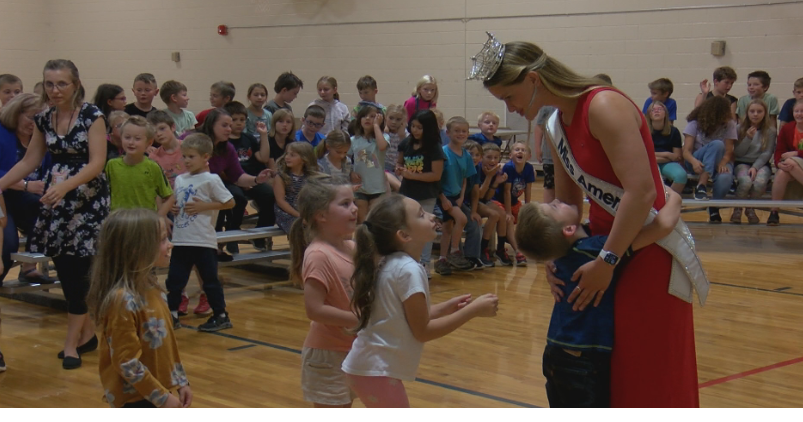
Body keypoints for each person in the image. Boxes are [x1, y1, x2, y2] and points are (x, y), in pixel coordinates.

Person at [479, 36, 702, 407]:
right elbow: (567, 202)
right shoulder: (555, 123)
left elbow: (641, 193)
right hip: (600, 252)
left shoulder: (603, 105)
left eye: (509, 97)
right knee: (612, 372)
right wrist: (556, 256)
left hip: (643, 251)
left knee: (648, 367)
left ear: (534, 80)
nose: (510, 108)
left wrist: (608, 260)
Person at [515, 191, 682, 408]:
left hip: (557, 352)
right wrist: (672, 194)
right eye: (554, 207)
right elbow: (663, 226)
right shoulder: (595, 251)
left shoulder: (564, 253)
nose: (557, 199)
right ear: (568, 230)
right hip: (581, 361)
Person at [0, 59, 110, 370]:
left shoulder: (92, 116)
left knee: (82, 270)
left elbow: (96, 163)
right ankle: (87, 334)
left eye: (61, 83)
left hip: (87, 199)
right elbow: (30, 161)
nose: (55, 90)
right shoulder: (44, 117)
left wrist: (66, 188)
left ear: (75, 84)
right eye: (49, 84)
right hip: (56, 198)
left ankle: (71, 344)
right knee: (66, 269)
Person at [342, 194, 499, 408]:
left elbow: (401, 317)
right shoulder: (408, 270)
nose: (432, 215)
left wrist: (446, 308)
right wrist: (472, 311)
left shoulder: (392, 263)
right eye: (421, 214)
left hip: (367, 367)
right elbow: (422, 331)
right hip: (376, 370)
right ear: (404, 235)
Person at [87, 209, 192, 408]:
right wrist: (162, 398)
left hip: (157, 391)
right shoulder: (122, 300)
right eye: (162, 240)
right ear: (137, 249)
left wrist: (180, 380)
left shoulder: (153, 288)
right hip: (136, 399)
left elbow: (166, 345)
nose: (170, 244)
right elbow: (126, 362)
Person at [289, 177, 359, 408]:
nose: (355, 209)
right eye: (345, 204)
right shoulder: (319, 255)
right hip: (327, 354)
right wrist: (359, 319)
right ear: (321, 215)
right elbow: (315, 309)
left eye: (353, 202)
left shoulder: (351, 247)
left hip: (353, 349)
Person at [167, 133, 236, 332]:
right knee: (175, 279)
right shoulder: (180, 179)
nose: (186, 161)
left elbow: (229, 202)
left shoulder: (211, 179)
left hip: (202, 240)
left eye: (191, 157)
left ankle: (220, 315)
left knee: (210, 281)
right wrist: (174, 209)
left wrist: (205, 206)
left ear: (206, 157)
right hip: (181, 239)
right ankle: (171, 314)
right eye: (184, 156)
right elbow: (177, 200)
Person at [0, 94, 52, 284]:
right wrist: (25, 185)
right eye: (31, 117)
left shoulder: (41, 140)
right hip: (2, 198)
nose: (35, 123)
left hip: (23, 199)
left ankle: (29, 267)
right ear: (16, 114)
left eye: (40, 119)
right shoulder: (2, 134)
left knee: (50, 213)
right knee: (7, 244)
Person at [396, 110, 444, 275]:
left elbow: (436, 175)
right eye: (413, 126)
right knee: (405, 227)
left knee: (425, 228)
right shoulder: (406, 143)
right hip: (407, 193)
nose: (415, 130)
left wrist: (413, 175)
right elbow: (399, 161)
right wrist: (399, 169)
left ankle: (424, 263)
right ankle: (406, 260)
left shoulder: (434, 148)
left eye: (419, 127)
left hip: (426, 195)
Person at [105, 116, 175, 217]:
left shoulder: (153, 167)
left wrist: (160, 217)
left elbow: (170, 196)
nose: (131, 142)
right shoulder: (111, 165)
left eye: (137, 139)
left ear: (149, 142)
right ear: (121, 137)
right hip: (118, 222)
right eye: (127, 137)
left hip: (145, 223)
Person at [683, 96, 737, 223]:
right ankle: (702, 184)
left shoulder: (730, 125)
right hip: (696, 161)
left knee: (726, 177)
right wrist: (694, 162)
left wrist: (723, 163)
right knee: (717, 144)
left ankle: (714, 207)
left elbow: (729, 151)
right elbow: (686, 151)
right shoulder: (694, 124)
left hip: (719, 160)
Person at [731, 99, 776, 224]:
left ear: (765, 113)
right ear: (747, 113)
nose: (755, 114)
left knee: (759, 183)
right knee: (745, 182)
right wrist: (748, 138)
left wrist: (755, 167)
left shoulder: (770, 131)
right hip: (742, 162)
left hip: (760, 164)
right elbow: (738, 153)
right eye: (752, 111)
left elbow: (767, 152)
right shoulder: (740, 128)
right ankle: (737, 209)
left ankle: (750, 208)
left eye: (759, 111)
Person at [492, 140, 534, 266]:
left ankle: (520, 244)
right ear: (510, 155)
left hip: (514, 201)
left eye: (523, 150)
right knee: (508, 220)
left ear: (529, 156)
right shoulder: (509, 168)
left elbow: (528, 189)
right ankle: (518, 252)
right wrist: (508, 212)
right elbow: (506, 192)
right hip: (500, 201)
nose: (520, 152)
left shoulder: (529, 168)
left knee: (524, 221)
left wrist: (527, 207)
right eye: (517, 150)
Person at [350, 106, 389, 223]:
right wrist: (351, 172)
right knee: (362, 220)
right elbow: (345, 159)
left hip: (377, 187)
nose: (367, 119)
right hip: (360, 186)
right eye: (364, 116)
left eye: (372, 117)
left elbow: (382, 147)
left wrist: (376, 125)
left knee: (374, 219)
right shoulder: (353, 140)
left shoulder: (384, 137)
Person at [768, 99, 803, 226]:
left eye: (802, 111)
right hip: (793, 167)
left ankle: (774, 211)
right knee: (782, 172)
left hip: (797, 162)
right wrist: (778, 163)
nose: (800, 114)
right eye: (797, 111)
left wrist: (796, 154)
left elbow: (791, 155)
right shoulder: (787, 128)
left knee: (790, 161)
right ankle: (774, 212)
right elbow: (779, 150)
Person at [274, 142, 320, 234]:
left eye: (292, 155)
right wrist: (299, 215)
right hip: (287, 213)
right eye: (287, 153)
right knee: (301, 227)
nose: (287, 157)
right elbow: (280, 201)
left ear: (304, 159)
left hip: (306, 210)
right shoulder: (281, 176)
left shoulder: (312, 176)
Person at [646, 101, 686, 194]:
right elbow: (641, 154)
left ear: (665, 113)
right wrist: (667, 154)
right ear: (649, 114)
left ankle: (668, 201)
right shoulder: (643, 131)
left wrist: (654, 157)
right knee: (653, 178)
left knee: (681, 175)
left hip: (665, 163)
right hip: (649, 163)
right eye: (653, 110)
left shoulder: (673, 131)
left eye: (659, 109)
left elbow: (677, 156)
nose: (656, 111)